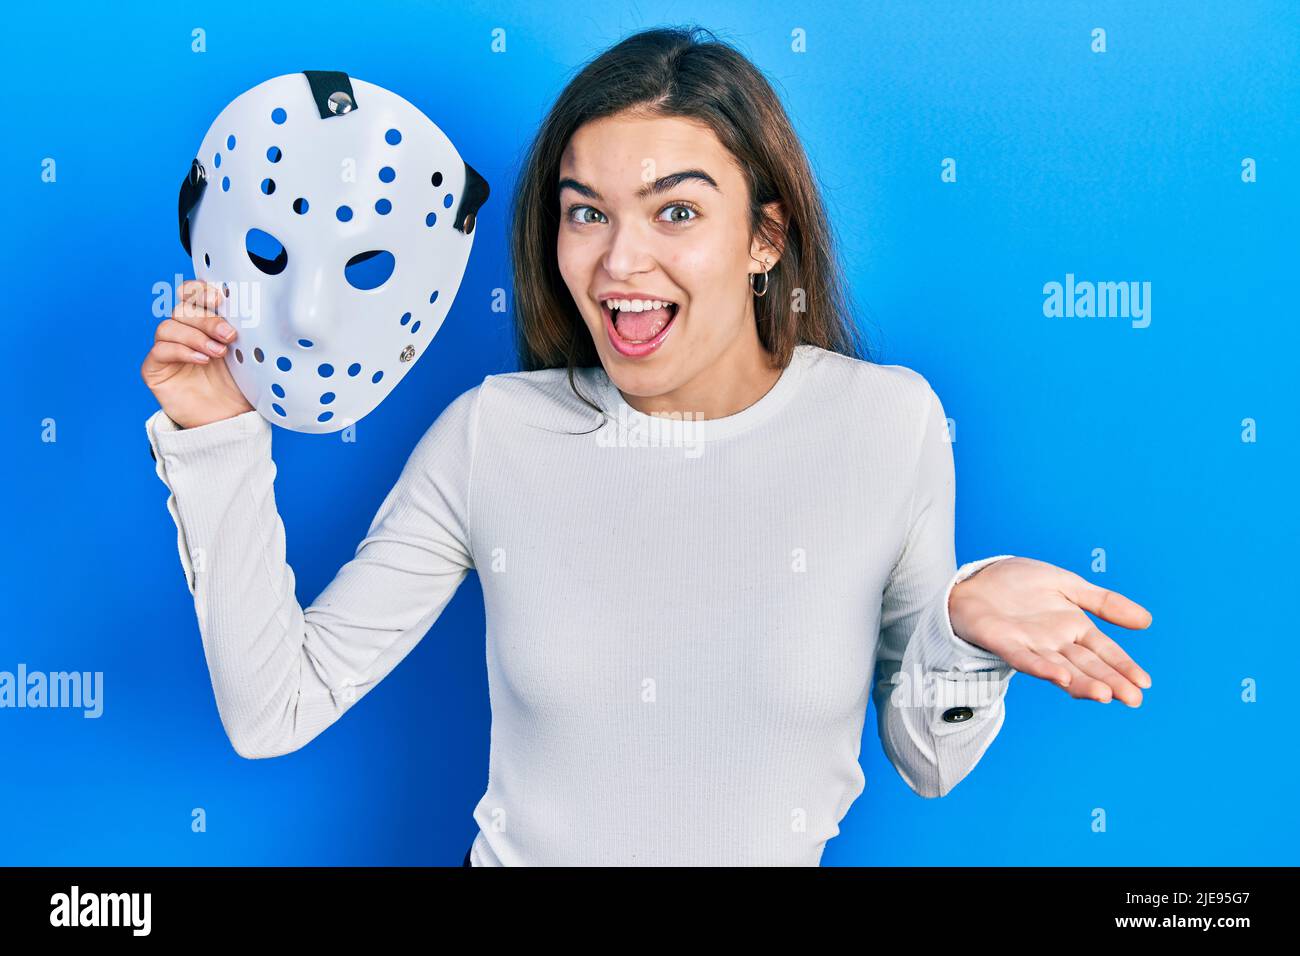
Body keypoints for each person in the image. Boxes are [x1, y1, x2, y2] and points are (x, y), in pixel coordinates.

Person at [140, 25, 1152, 867]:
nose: (621, 262)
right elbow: (274, 709)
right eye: (586, 213)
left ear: (763, 236)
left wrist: (964, 631)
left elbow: (926, 758)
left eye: (676, 210)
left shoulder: (886, 423)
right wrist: (215, 437)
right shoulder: (493, 433)